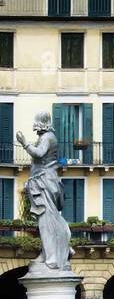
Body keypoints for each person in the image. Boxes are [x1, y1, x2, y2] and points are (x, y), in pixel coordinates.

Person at [16, 112, 72, 273]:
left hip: (44, 181)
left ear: (42, 123)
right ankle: (51, 252)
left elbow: (39, 153)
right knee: (47, 219)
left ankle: (52, 257)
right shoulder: (46, 137)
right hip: (42, 180)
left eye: (37, 123)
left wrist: (24, 143)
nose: (35, 127)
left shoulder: (47, 137)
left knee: (46, 220)